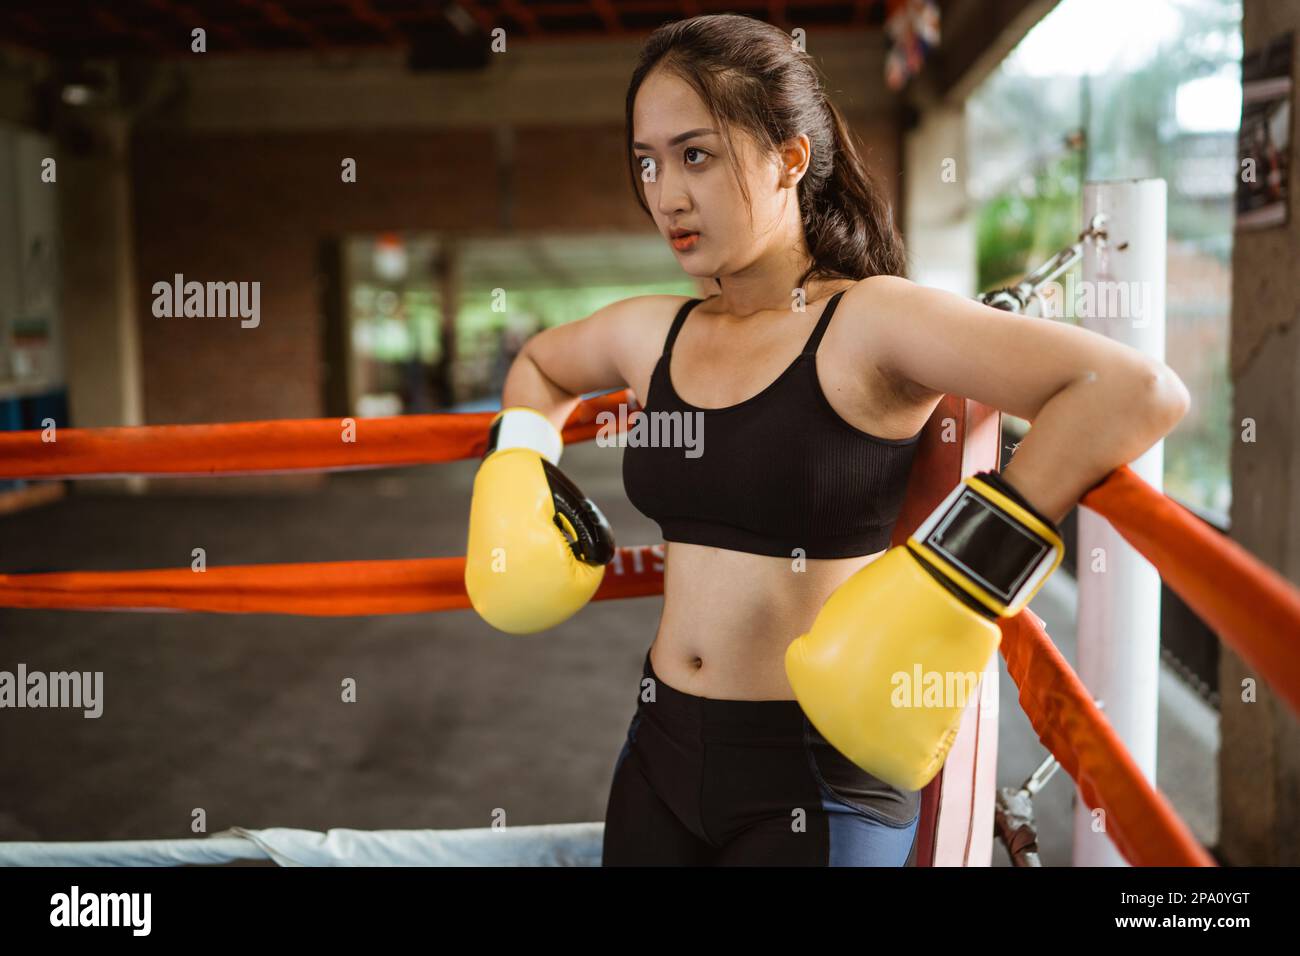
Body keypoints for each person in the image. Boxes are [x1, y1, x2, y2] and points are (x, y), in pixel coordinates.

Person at [465, 13, 1189, 866]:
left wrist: (957, 576)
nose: (666, 194)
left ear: (790, 158)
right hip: (659, 746)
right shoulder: (652, 332)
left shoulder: (869, 321)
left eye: (695, 154)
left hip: (816, 772)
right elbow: (542, 365)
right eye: (647, 162)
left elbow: (1132, 390)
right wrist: (521, 461)